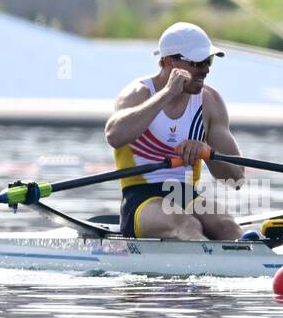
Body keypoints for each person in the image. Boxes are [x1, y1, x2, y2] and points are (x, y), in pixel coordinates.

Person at [104, 22, 246, 240]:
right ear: (170, 61)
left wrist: (206, 151)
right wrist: (168, 93)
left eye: (208, 61)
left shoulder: (209, 102)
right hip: (141, 199)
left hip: (186, 194)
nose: (206, 69)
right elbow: (114, 135)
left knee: (228, 227)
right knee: (187, 225)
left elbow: (235, 178)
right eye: (198, 62)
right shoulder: (137, 93)